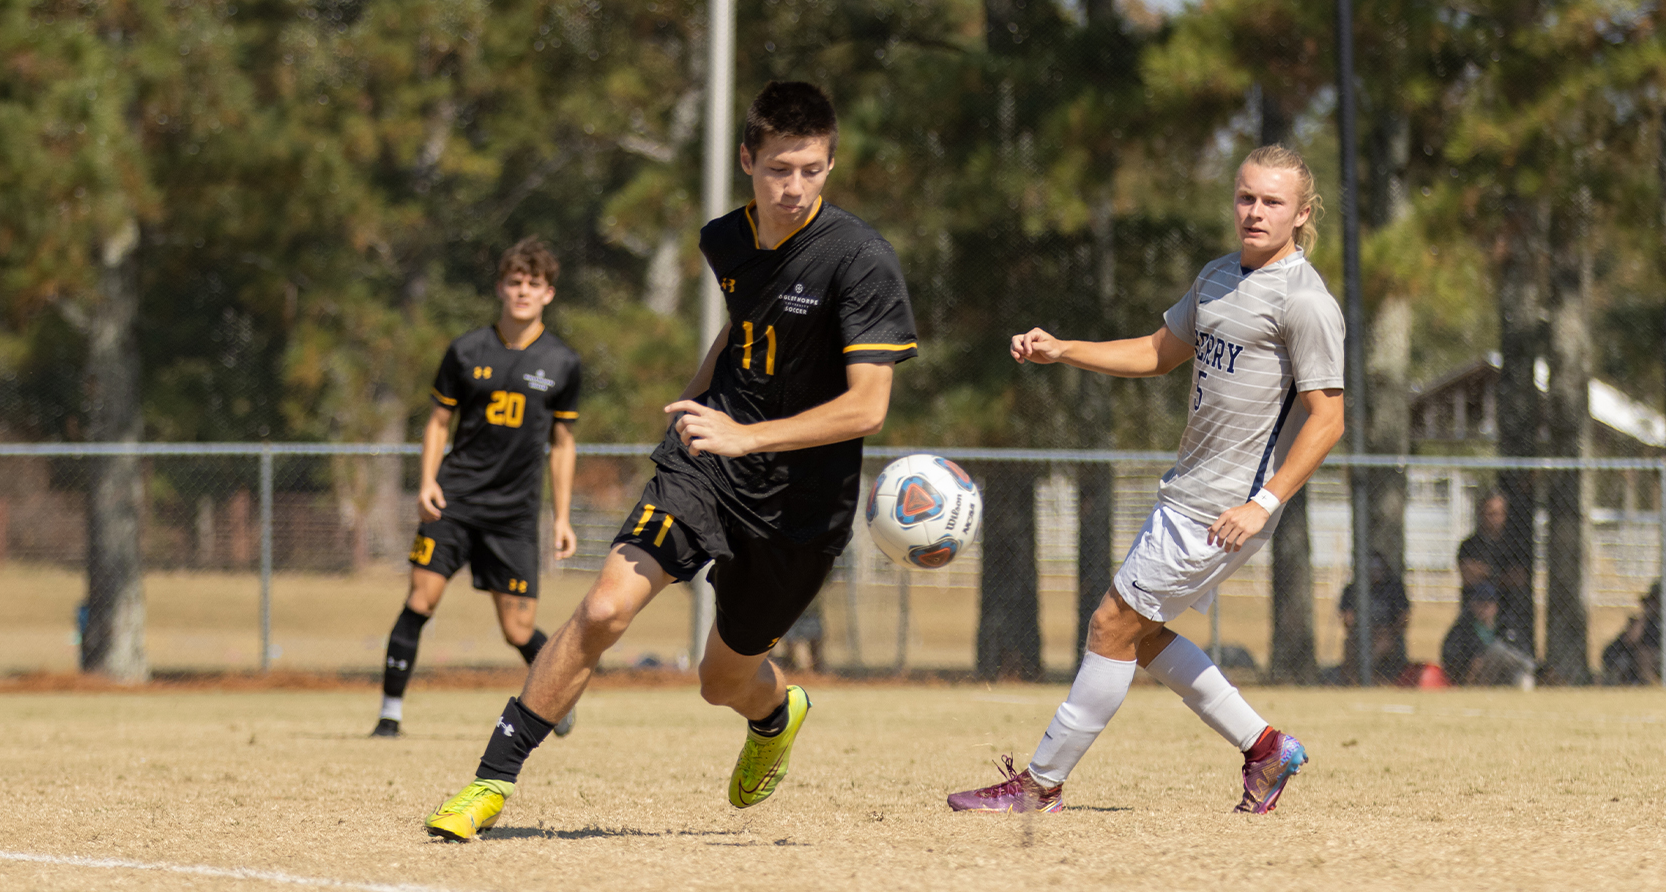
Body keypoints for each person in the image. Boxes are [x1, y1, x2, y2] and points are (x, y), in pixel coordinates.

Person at [424, 81, 917, 840]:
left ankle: (777, 714)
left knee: (720, 682)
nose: (794, 188)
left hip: (802, 504)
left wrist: (748, 436)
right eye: (779, 168)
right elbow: (743, 324)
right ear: (746, 159)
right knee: (604, 608)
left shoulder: (861, 260)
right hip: (706, 468)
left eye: (812, 170)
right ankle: (491, 780)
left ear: (829, 165)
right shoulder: (725, 239)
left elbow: (867, 407)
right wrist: (696, 403)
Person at [948, 144, 1345, 816]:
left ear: (1301, 214)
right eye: (1246, 197)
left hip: (1223, 507)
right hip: (1188, 491)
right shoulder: (1219, 276)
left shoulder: (1305, 301)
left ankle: (1040, 785)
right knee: (1144, 635)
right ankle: (1266, 748)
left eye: (1272, 202)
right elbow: (1159, 353)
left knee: (1110, 626)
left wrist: (1263, 503)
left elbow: (1328, 419)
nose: (1255, 211)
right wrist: (1063, 348)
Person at [372, 238, 581, 738]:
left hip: (513, 514)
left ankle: (562, 695)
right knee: (420, 601)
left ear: (548, 293)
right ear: (500, 288)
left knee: (519, 630)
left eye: (533, 284)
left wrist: (563, 516)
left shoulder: (562, 362)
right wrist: (426, 483)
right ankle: (389, 716)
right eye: (515, 282)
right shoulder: (466, 350)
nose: (523, 292)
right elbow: (438, 423)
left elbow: (564, 443)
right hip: (455, 501)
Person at [1457, 491, 1535, 651]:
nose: (1493, 518)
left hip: (1510, 613)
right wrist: (1501, 576)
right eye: (1489, 513)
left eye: (1498, 513)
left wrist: (1485, 573)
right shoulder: (1469, 545)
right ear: (1481, 514)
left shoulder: (1515, 546)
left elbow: (1518, 578)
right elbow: (1468, 575)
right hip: (1476, 615)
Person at [1334, 550, 1412, 685]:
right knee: (1350, 644)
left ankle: (1364, 676)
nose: (1375, 571)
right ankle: (1352, 680)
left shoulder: (1394, 588)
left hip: (1387, 633)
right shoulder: (1352, 589)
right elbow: (1348, 618)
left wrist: (1391, 631)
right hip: (1361, 633)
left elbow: (1404, 616)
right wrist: (1363, 631)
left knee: (1382, 640)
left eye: (1378, 567)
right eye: (1371, 567)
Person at [1441, 581, 1537, 687]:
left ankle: (1527, 668)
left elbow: (1518, 646)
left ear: (1495, 607)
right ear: (1472, 605)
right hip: (1472, 676)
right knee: (1498, 649)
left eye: (1488, 605)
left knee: (1520, 674)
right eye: (1480, 604)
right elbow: (1450, 655)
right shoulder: (1462, 628)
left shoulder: (1505, 626)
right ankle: (1529, 665)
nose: (1484, 609)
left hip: (1501, 673)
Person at [1600, 581, 1661, 686]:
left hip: (1656, 660)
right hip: (1632, 661)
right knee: (1642, 653)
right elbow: (1631, 639)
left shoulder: (1659, 623)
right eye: (1653, 601)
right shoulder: (1643, 621)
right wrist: (1646, 615)